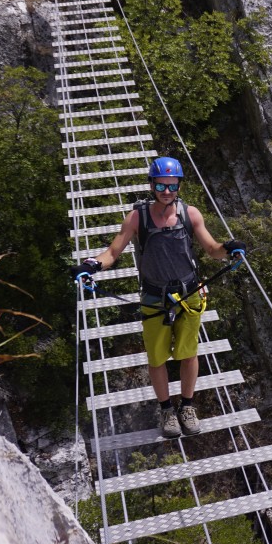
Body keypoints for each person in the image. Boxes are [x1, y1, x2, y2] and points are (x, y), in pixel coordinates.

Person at [71, 156, 245, 438]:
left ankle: (186, 406)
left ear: (179, 186)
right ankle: (167, 410)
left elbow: (212, 249)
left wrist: (229, 247)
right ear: (152, 185)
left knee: (188, 354)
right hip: (154, 296)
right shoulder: (137, 218)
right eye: (161, 185)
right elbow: (113, 252)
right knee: (157, 358)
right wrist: (91, 265)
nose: (167, 191)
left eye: (172, 185)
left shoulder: (190, 214)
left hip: (188, 294)